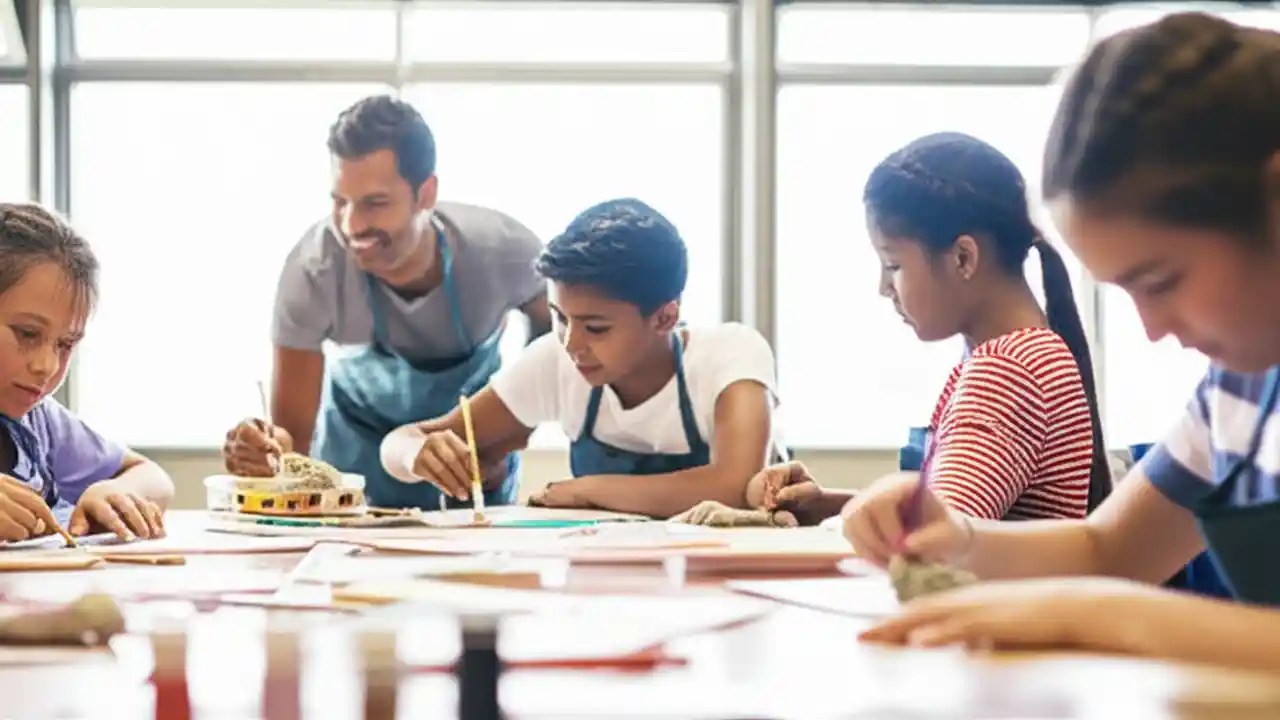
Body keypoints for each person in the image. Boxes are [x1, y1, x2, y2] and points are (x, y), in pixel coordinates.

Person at [850, 13, 1280, 673]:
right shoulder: (1240, 389)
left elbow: (1105, 585)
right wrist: (956, 536)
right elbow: (1106, 550)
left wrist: (1100, 613)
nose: (1153, 329)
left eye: (1162, 280)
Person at [748, 132, 1109, 527]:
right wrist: (831, 505)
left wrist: (847, 521)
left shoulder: (1009, 371)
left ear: (963, 258)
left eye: (893, 265)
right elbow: (955, 514)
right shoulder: (1029, 352)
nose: (884, 288)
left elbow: (934, 538)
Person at [220, 95, 551, 509]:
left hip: (470, 463)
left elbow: (555, 337)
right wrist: (262, 450)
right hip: (355, 468)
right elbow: (291, 442)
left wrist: (505, 434)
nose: (352, 225)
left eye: (375, 203)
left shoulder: (503, 250)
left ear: (425, 194)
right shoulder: (312, 271)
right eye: (340, 202)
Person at [381, 198, 783, 518]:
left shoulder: (731, 355)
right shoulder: (557, 361)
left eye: (596, 328)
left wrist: (587, 490)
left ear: (665, 316)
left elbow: (734, 486)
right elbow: (402, 442)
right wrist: (416, 455)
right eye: (559, 318)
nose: (572, 344)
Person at [0, 203, 172, 541]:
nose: (46, 366)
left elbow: (152, 477)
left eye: (65, 345)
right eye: (28, 333)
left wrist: (112, 492)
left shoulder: (38, 420)